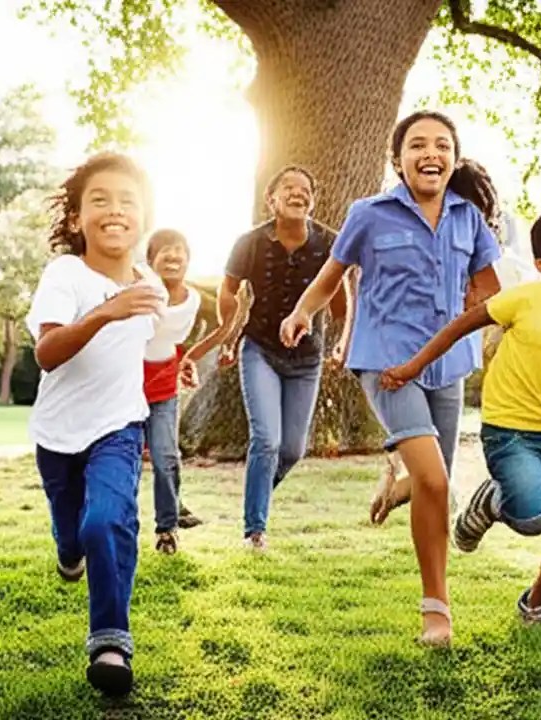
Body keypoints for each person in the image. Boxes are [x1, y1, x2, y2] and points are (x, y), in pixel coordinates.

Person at [281, 110, 502, 646]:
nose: (431, 153)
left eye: (442, 145)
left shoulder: (468, 219)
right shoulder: (369, 214)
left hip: (448, 363)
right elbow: (330, 276)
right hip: (387, 361)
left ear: (454, 156)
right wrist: (301, 313)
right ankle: (437, 610)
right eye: (418, 144)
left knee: (434, 482)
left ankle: (400, 482)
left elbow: (495, 295)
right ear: (397, 159)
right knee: (437, 481)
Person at [384, 204, 541, 632]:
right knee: (534, 515)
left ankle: (535, 605)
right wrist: (411, 368)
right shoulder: (526, 298)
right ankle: (491, 500)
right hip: (509, 432)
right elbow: (460, 326)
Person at [26, 151, 166, 696]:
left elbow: (152, 345)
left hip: (119, 427)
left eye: (127, 200)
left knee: (105, 521)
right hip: (58, 433)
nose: (115, 210)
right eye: (100, 200)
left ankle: (111, 643)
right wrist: (109, 308)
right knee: (72, 534)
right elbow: (48, 352)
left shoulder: (148, 280)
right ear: (76, 218)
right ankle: (68, 552)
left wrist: (185, 362)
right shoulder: (65, 274)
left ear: (144, 215)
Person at [182, 165, 345, 550]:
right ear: (271, 200)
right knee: (266, 439)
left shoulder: (329, 243)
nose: (297, 193)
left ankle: (258, 495)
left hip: (307, 358)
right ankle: (254, 530)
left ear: (313, 200)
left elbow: (342, 296)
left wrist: (345, 341)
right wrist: (229, 333)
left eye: (305, 189)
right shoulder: (250, 243)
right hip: (260, 351)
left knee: (292, 449)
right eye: (288, 187)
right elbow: (228, 290)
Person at [142, 228, 203, 554]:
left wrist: (186, 361)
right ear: (150, 260)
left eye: (180, 249)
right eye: (164, 250)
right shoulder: (136, 293)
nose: (173, 255)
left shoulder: (193, 299)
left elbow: (170, 339)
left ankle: (166, 528)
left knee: (166, 457)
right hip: (125, 390)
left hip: (163, 390)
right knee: (123, 460)